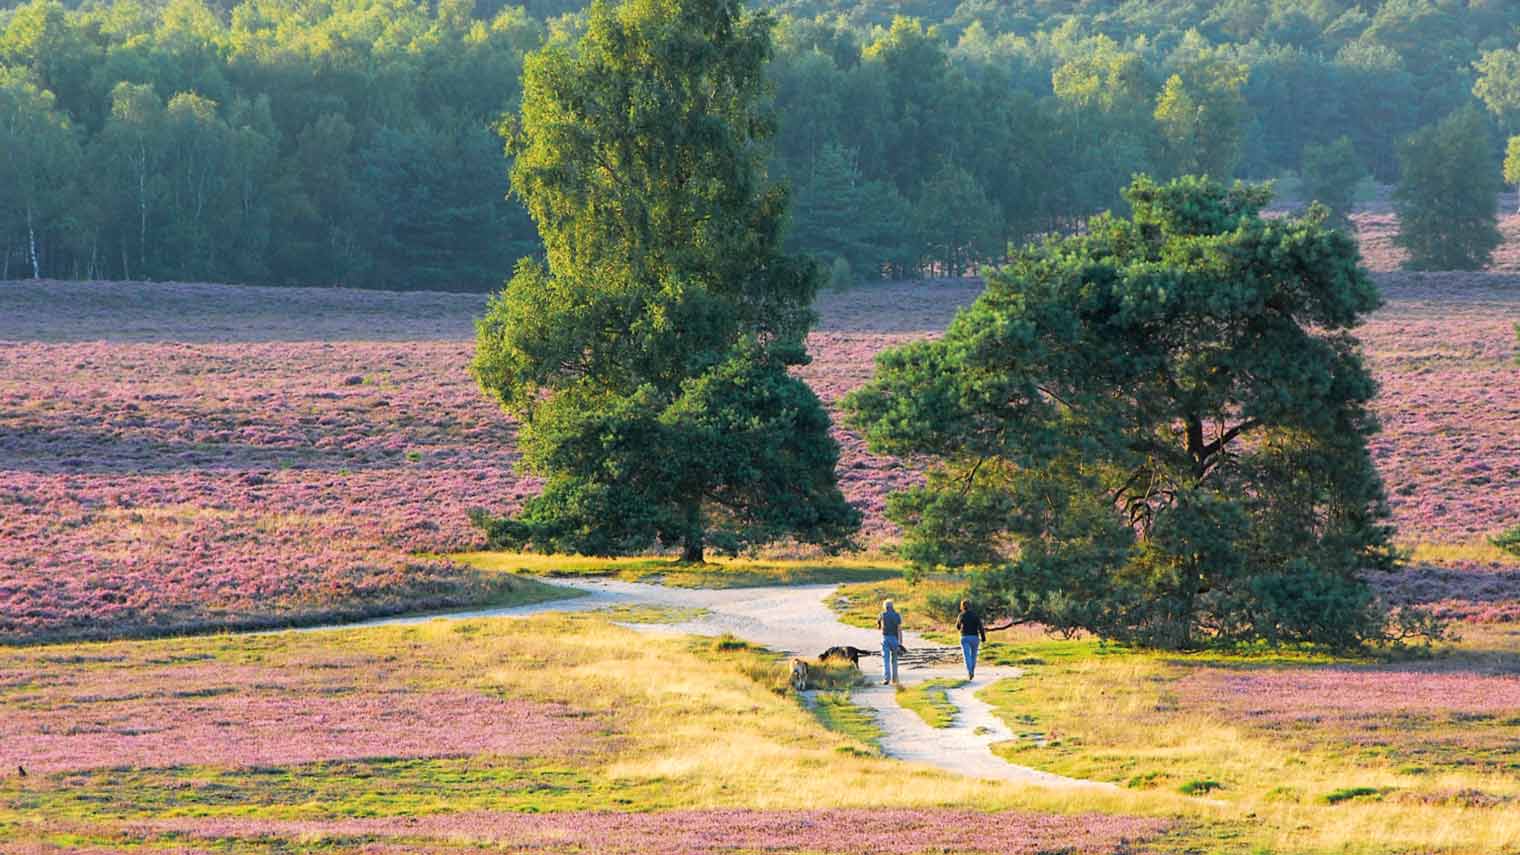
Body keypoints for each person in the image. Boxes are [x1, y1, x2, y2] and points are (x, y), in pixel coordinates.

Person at [956, 599, 987, 681]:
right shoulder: (975, 615)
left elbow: (958, 627)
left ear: (962, 606)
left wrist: (961, 627)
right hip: (974, 637)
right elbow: (980, 627)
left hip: (965, 637)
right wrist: (983, 638)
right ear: (970, 606)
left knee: (967, 656)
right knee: (973, 656)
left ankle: (969, 671)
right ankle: (972, 671)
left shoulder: (961, 615)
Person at [877, 599, 902, 685]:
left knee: (886, 660)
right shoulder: (897, 615)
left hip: (885, 638)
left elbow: (878, 626)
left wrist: (880, 624)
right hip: (895, 639)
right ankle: (895, 679)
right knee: (894, 661)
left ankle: (886, 679)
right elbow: (899, 630)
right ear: (892, 606)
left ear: (885, 607)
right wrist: (900, 642)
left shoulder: (882, 614)